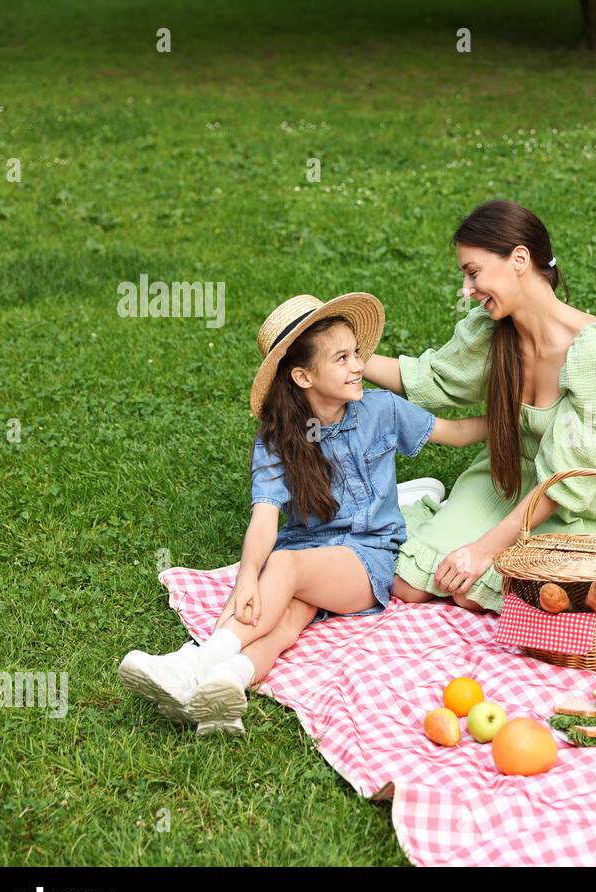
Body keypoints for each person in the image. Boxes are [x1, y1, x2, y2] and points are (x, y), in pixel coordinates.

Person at [118, 293, 487, 734]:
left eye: (356, 354)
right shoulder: (278, 440)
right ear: (303, 376)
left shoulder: (382, 410)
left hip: (366, 555)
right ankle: (225, 686)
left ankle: (192, 663)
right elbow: (264, 520)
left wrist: (518, 419)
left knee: (284, 567)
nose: (358, 366)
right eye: (342, 358)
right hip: (308, 553)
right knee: (285, 619)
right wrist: (247, 576)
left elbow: (457, 433)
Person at [363, 200, 596, 613]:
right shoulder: (493, 329)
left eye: (473, 272)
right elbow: (433, 380)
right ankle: (423, 510)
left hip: (572, 501)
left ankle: (460, 531)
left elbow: (566, 479)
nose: (467, 289)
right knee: (410, 583)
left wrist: (483, 550)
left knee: (479, 590)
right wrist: (347, 357)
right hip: (506, 479)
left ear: (519, 259)